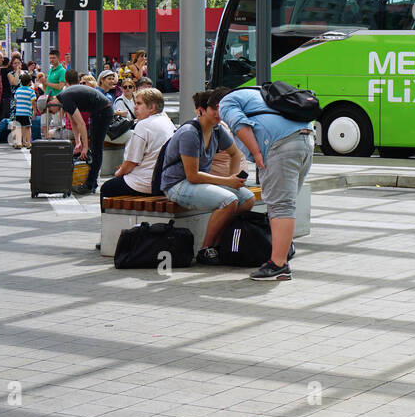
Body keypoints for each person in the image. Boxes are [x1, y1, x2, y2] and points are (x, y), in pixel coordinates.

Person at [219, 85, 313, 281]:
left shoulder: (227, 102)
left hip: (280, 144)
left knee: (280, 206)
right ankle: (282, 252)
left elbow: (239, 124)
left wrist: (256, 153)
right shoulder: (260, 94)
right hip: (306, 139)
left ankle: (278, 265)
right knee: (286, 204)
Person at [159, 88, 254, 259]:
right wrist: (227, 181)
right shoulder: (190, 133)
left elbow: (235, 153)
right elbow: (192, 175)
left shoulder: (217, 129)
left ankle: (219, 241)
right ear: (202, 110)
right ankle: (206, 249)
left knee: (248, 199)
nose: (219, 113)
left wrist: (233, 180)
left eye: (221, 108)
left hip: (198, 183)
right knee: (229, 200)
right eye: (214, 108)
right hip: (176, 185)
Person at [100, 88, 175, 199]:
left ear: (152, 107)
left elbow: (131, 162)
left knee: (106, 188)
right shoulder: (167, 122)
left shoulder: (144, 125)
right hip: (163, 181)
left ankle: (110, 217)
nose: (135, 107)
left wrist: (119, 173)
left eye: (139, 103)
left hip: (144, 183)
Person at [55, 74, 117, 195]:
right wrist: (78, 142)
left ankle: (90, 184)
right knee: (95, 149)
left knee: (96, 149)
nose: (53, 113)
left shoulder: (65, 99)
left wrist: (85, 147)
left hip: (103, 111)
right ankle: (91, 183)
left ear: (51, 103)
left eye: (51, 110)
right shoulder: (64, 97)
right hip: (99, 111)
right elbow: (73, 122)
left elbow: (81, 124)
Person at [11, 72, 36, 149]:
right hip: (27, 113)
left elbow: (15, 100)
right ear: (30, 82)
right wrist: (34, 111)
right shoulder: (31, 91)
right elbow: (33, 102)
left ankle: (19, 143)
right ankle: (28, 143)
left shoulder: (18, 90)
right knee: (27, 127)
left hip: (18, 112)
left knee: (18, 128)